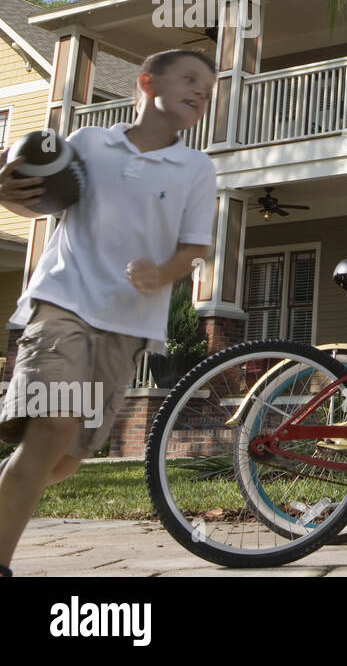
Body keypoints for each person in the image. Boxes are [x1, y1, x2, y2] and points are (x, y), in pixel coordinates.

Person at [0, 49, 218, 577]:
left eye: (208, 89)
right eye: (189, 79)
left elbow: (194, 250)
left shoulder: (196, 168)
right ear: (147, 84)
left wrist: (160, 273)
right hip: (63, 303)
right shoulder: (89, 144)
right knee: (53, 422)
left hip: (127, 325)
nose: (201, 91)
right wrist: (8, 190)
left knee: (66, 459)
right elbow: (36, 199)